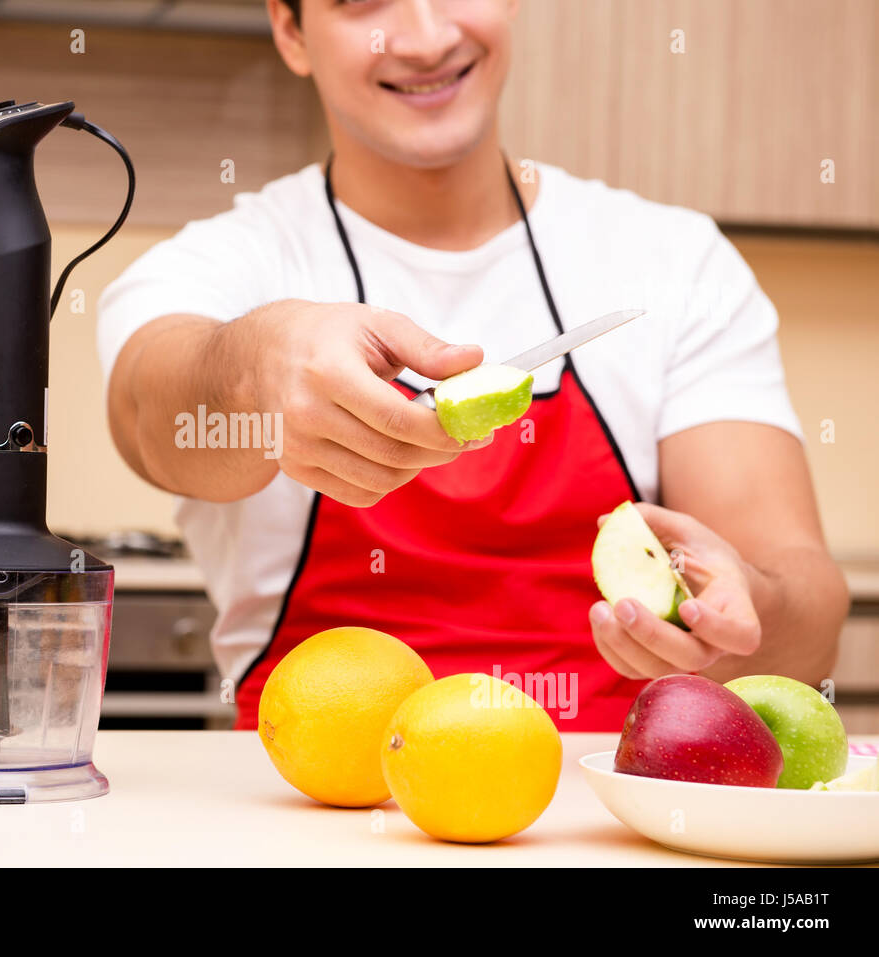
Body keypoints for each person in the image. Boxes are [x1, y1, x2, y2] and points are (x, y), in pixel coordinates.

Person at [96, 0, 848, 730]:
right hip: (314, 806)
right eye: (363, 1)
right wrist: (251, 373)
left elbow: (807, 628)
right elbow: (147, 419)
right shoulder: (226, 263)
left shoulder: (678, 263)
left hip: (615, 806)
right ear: (290, 31)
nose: (425, 37)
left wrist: (743, 615)